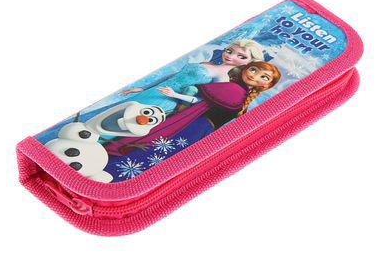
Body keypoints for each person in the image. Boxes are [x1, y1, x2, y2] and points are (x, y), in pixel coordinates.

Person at [104, 61, 281, 181]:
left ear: (266, 85)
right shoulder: (239, 93)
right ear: (245, 69)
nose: (255, 76)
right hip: (200, 128)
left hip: (194, 124)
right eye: (254, 70)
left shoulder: (234, 90)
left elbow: (198, 99)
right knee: (165, 151)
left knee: (159, 145)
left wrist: (176, 95)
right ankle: (125, 174)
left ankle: (115, 171)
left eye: (264, 77)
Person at [117, 40, 265, 113]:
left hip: (166, 100)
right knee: (120, 109)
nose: (230, 56)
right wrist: (143, 88)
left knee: (129, 116)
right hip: (153, 91)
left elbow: (201, 101)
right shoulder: (206, 63)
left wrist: (175, 95)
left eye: (241, 56)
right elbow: (174, 75)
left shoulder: (222, 79)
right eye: (229, 51)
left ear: (249, 63)